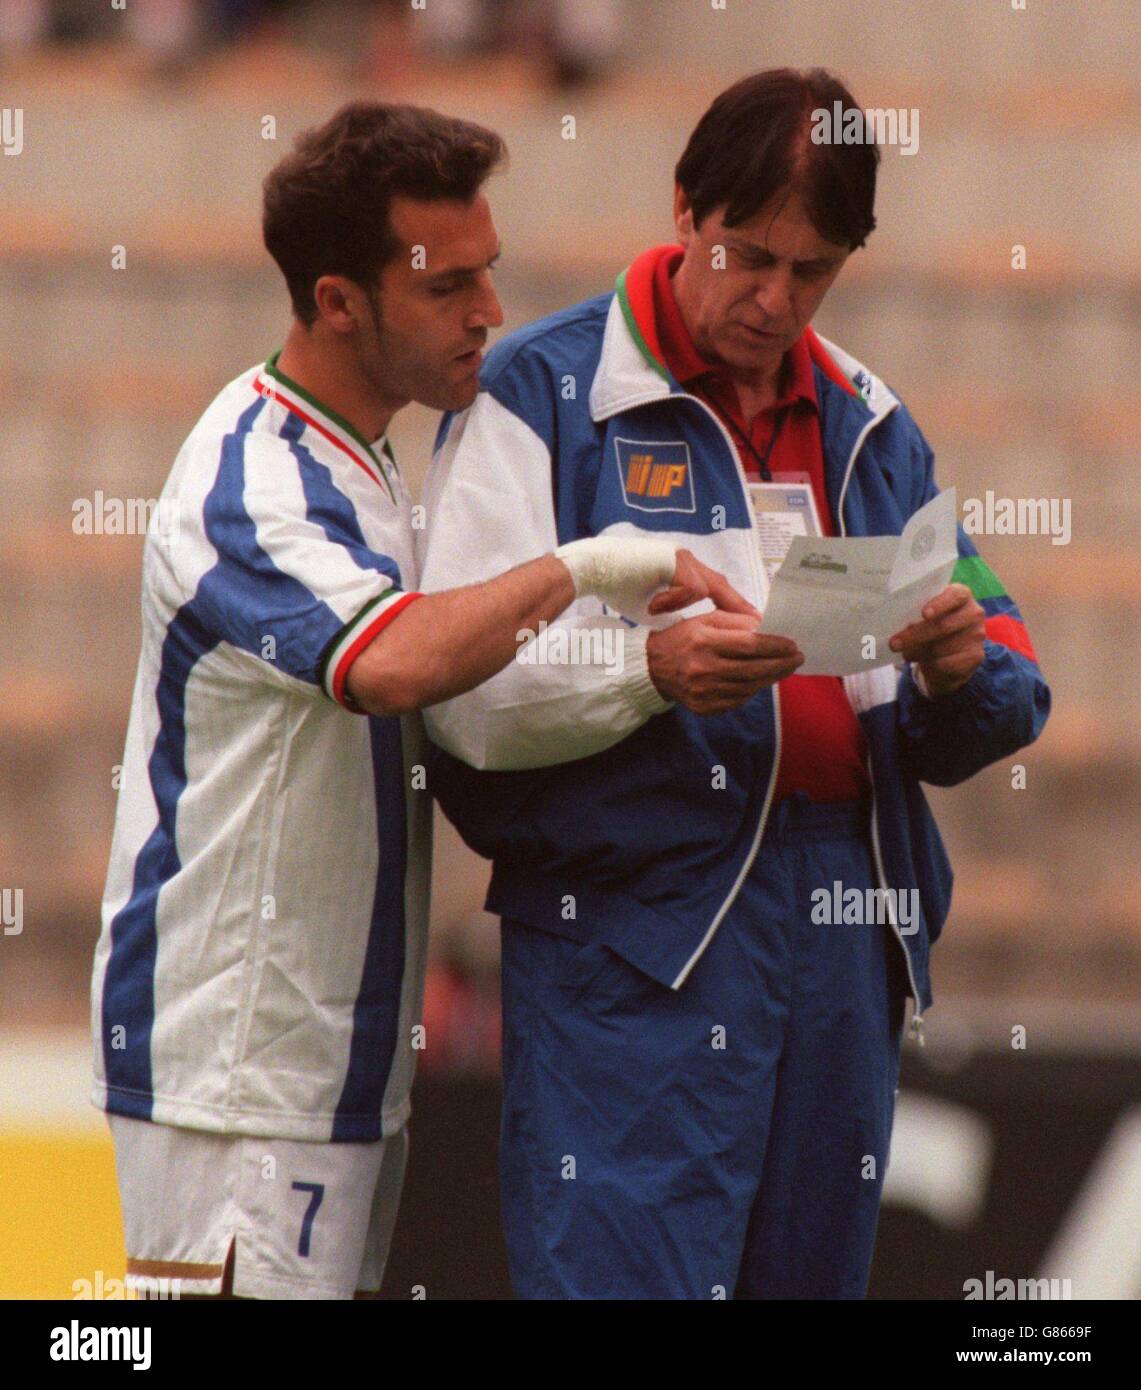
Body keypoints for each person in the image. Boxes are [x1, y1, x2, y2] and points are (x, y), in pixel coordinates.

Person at [89, 100, 745, 1301]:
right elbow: (394, 662)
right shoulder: (253, 477)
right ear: (339, 301)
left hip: (328, 1058)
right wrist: (591, 563)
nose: (489, 311)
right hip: (237, 1066)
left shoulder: (371, 462)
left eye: (488, 275)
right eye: (447, 285)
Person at [417, 67, 1051, 1299]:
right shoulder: (540, 398)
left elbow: (1010, 653)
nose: (772, 300)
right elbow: (455, 693)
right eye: (743, 254)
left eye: (811, 271)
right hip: (633, 933)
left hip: (843, 934)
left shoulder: (871, 419)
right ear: (681, 209)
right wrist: (643, 672)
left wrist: (960, 670)